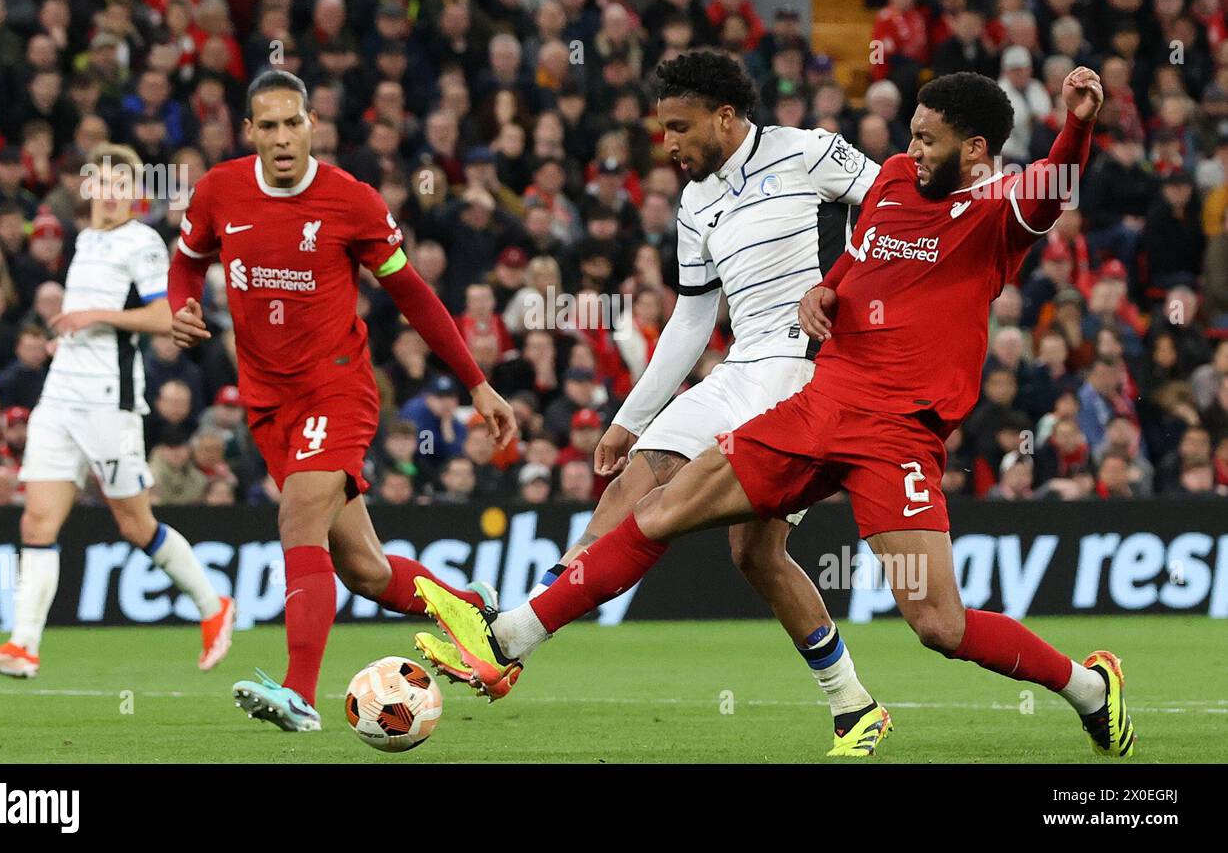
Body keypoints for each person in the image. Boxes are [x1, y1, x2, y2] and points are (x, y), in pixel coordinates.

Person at [417, 68, 1137, 760]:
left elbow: (1056, 187)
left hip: (898, 433)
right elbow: (861, 256)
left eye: (928, 140)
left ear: (975, 150)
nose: (911, 150)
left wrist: (1077, 124)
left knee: (939, 625)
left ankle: (1085, 687)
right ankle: (507, 638)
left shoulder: (998, 209)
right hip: (820, 404)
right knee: (665, 507)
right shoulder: (890, 179)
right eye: (911, 134)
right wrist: (823, 293)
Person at [416, 49, 891, 754]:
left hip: (809, 374)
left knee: (755, 555)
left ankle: (852, 704)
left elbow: (899, 214)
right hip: (740, 367)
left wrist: (848, 289)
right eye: (662, 129)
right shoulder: (697, 202)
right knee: (632, 483)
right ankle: (512, 635)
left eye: (679, 127)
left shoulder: (810, 153)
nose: (668, 145)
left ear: (725, 117)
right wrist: (629, 419)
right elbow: (693, 319)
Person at [167, 69, 517, 732]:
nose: (280, 138)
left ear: (311, 126)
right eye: (266, 126)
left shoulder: (349, 202)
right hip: (268, 403)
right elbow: (187, 258)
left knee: (298, 519)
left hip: (338, 387)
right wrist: (179, 304)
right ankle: (472, 611)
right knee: (362, 568)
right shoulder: (219, 191)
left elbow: (411, 291)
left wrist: (476, 380)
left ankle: (298, 693)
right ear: (249, 132)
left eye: (292, 123)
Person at [0, 144, 235, 680]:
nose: (107, 194)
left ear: (134, 193)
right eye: (99, 184)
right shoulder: (85, 239)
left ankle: (213, 607)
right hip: (60, 397)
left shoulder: (144, 243)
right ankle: (24, 646)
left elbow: (164, 316)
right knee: (37, 520)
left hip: (110, 401)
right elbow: (86, 322)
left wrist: (94, 315)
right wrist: (67, 338)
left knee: (136, 524)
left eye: (117, 185)